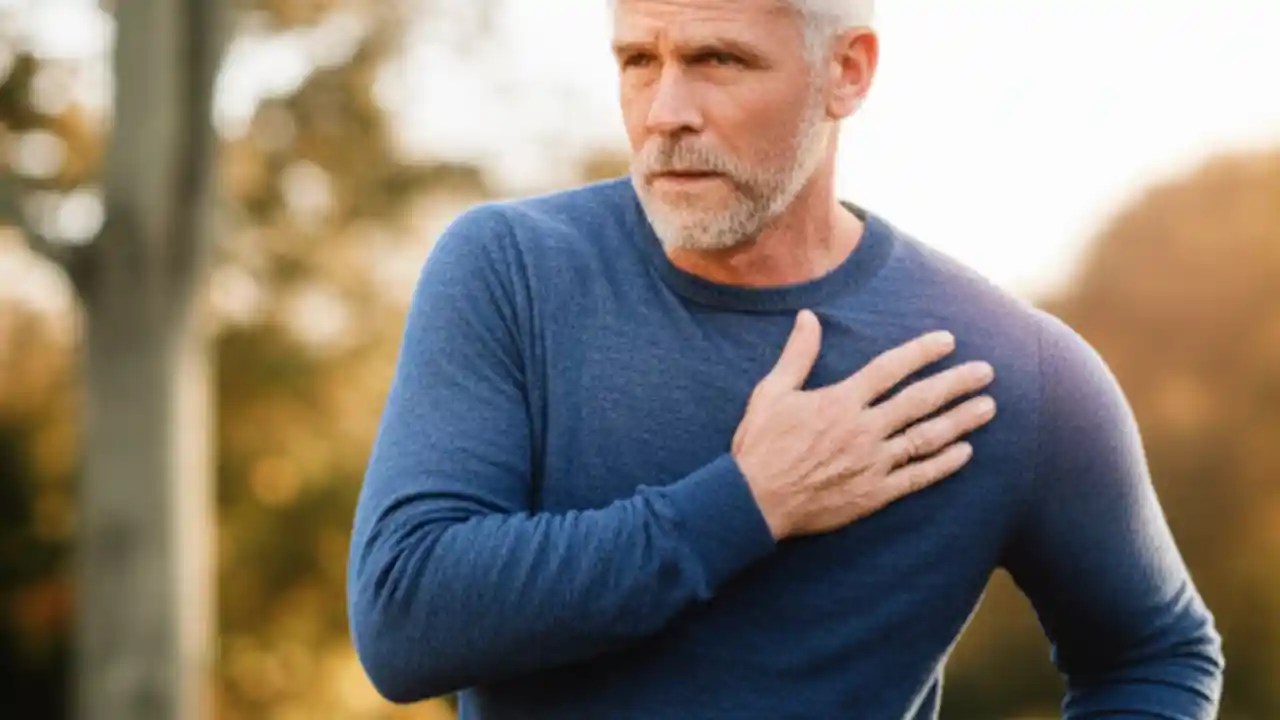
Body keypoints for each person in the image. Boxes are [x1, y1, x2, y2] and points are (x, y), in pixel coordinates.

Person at [346, 0, 1225, 717]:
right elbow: (404, 618)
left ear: (847, 70)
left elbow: (1156, 654)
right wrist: (747, 502)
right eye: (637, 62)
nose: (665, 112)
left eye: (719, 60)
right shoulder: (512, 273)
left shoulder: (1009, 367)